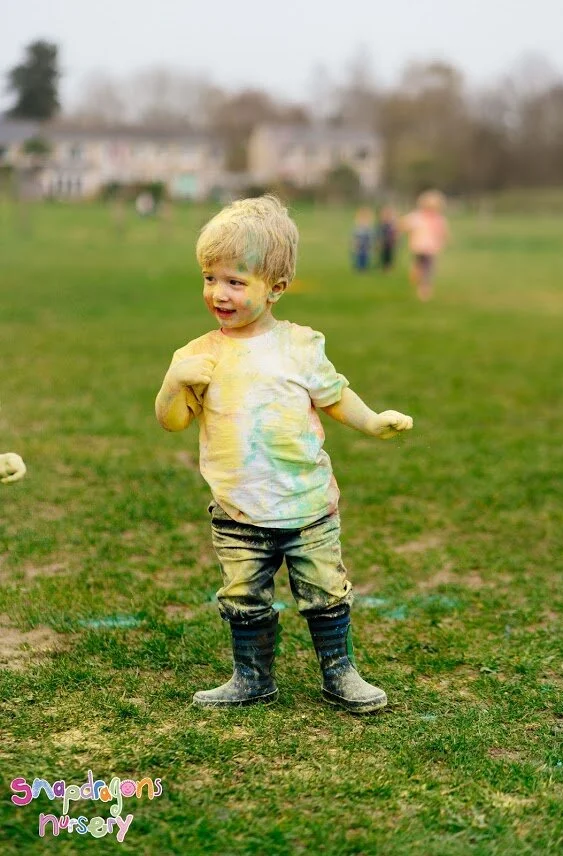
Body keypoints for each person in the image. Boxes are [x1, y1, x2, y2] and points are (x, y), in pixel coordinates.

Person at [155, 195, 413, 713]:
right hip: (238, 507)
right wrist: (171, 382)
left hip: (307, 503)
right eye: (210, 278)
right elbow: (174, 420)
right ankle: (251, 677)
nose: (218, 293)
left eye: (234, 281)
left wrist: (371, 420)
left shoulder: (300, 346)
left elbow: (335, 395)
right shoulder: (198, 355)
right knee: (242, 597)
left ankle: (340, 673)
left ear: (275, 288)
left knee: (324, 592)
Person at [401, 190, 449, 301]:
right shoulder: (417, 217)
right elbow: (404, 224)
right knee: (419, 265)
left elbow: (443, 231)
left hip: (431, 249)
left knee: (428, 270)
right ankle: (415, 271)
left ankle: (424, 289)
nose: (431, 210)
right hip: (418, 247)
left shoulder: (438, 219)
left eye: (434, 208)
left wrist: (445, 239)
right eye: (429, 207)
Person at [376, 206, 399, 271]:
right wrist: (378, 241)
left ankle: (388, 267)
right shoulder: (381, 225)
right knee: (382, 255)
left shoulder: (392, 225)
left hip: (390, 244)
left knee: (389, 256)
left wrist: (395, 240)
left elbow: (395, 233)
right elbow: (378, 234)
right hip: (383, 243)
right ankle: (382, 266)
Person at [351, 206, 374, 271]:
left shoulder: (369, 229)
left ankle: (364, 267)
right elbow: (355, 237)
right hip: (359, 246)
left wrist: (371, 245)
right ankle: (359, 267)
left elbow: (370, 238)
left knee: (365, 257)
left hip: (366, 246)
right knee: (359, 256)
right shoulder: (357, 228)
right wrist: (354, 244)